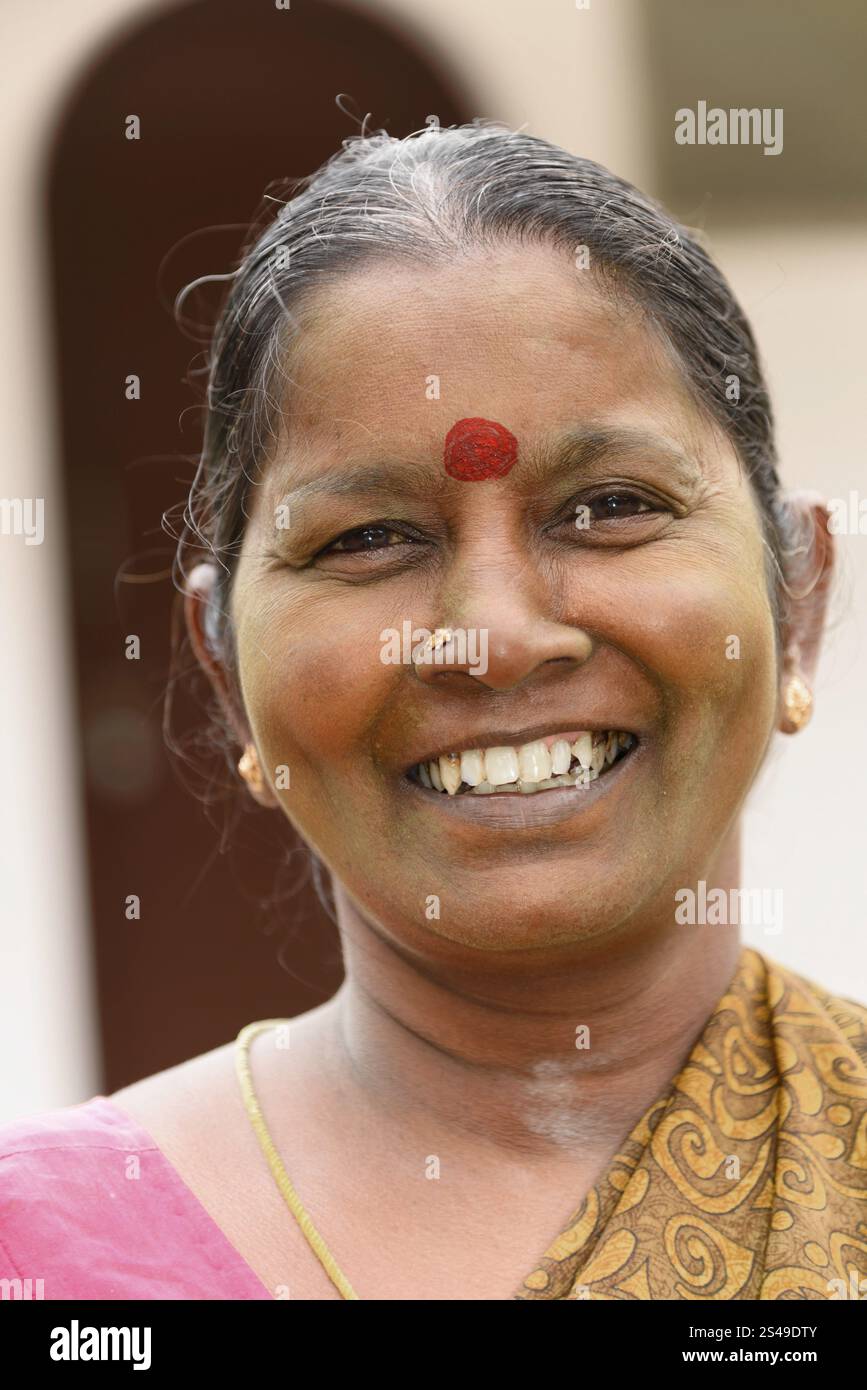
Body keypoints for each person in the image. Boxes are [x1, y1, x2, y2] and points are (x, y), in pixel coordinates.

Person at [2, 122, 865, 1302]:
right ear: (223, 671)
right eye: (368, 538)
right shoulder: (45, 1258)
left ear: (799, 599)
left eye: (609, 504)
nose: (495, 636)